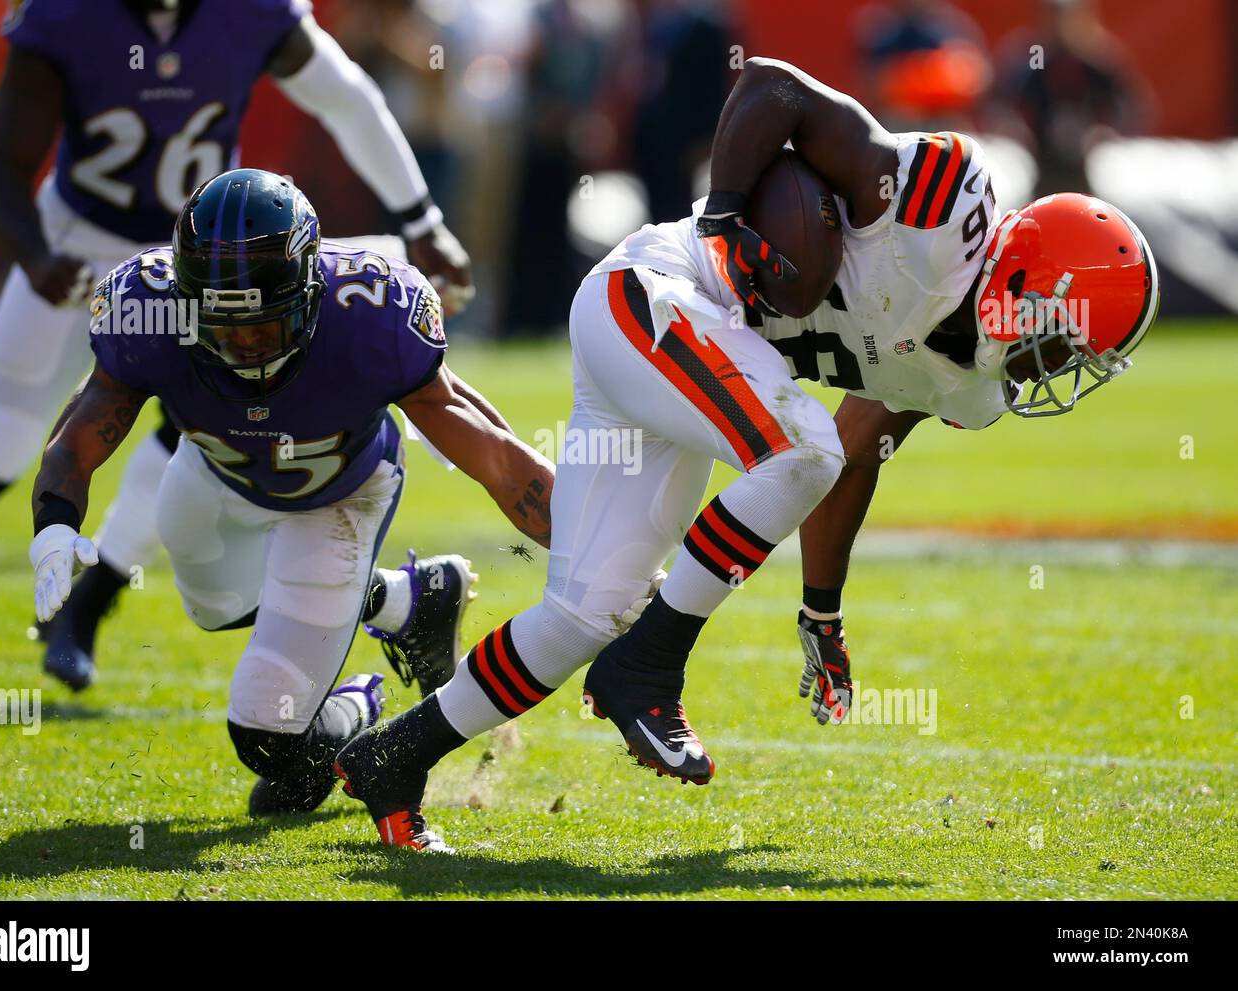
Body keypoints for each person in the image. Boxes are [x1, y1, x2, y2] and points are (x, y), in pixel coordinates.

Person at [328, 55, 1159, 850]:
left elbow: (859, 449)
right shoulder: (939, 209)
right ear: (1028, 285)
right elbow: (773, 87)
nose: (1059, 371)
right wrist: (723, 211)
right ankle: (649, 668)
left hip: (672, 364)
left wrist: (822, 612)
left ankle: (391, 757)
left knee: (586, 613)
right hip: (658, 293)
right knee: (799, 448)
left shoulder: (967, 382)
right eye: (1066, 344)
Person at [0, 0, 472, 695]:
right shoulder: (64, 15)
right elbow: (2, 162)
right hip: (77, 242)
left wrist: (420, 217)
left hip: (206, 264)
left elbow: (346, 97)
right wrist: (37, 256)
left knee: (205, 423)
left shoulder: (248, 11)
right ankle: (394, 600)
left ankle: (87, 608)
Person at [28, 169, 552, 834]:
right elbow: (83, 428)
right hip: (214, 477)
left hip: (339, 496)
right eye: (223, 325)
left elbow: (499, 457)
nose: (243, 343)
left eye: (260, 324)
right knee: (213, 611)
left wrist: (590, 557)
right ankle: (409, 600)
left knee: (274, 750)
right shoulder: (148, 306)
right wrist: (52, 528)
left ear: (308, 293)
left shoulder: (373, 315)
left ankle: (358, 709)